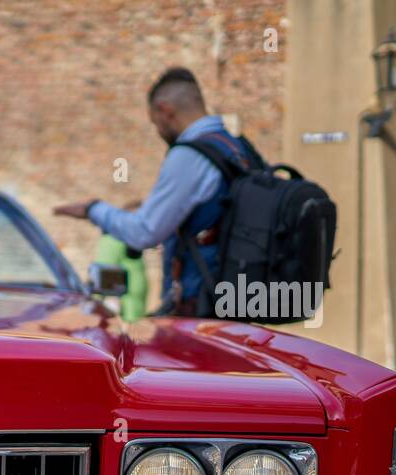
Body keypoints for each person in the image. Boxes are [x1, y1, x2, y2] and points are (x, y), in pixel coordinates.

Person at [54, 67, 261, 316]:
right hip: (237, 302)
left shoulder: (190, 155)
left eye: (155, 124)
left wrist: (93, 209)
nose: (159, 132)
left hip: (200, 306)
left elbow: (145, 232)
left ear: (165, 110)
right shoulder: (238, 149)